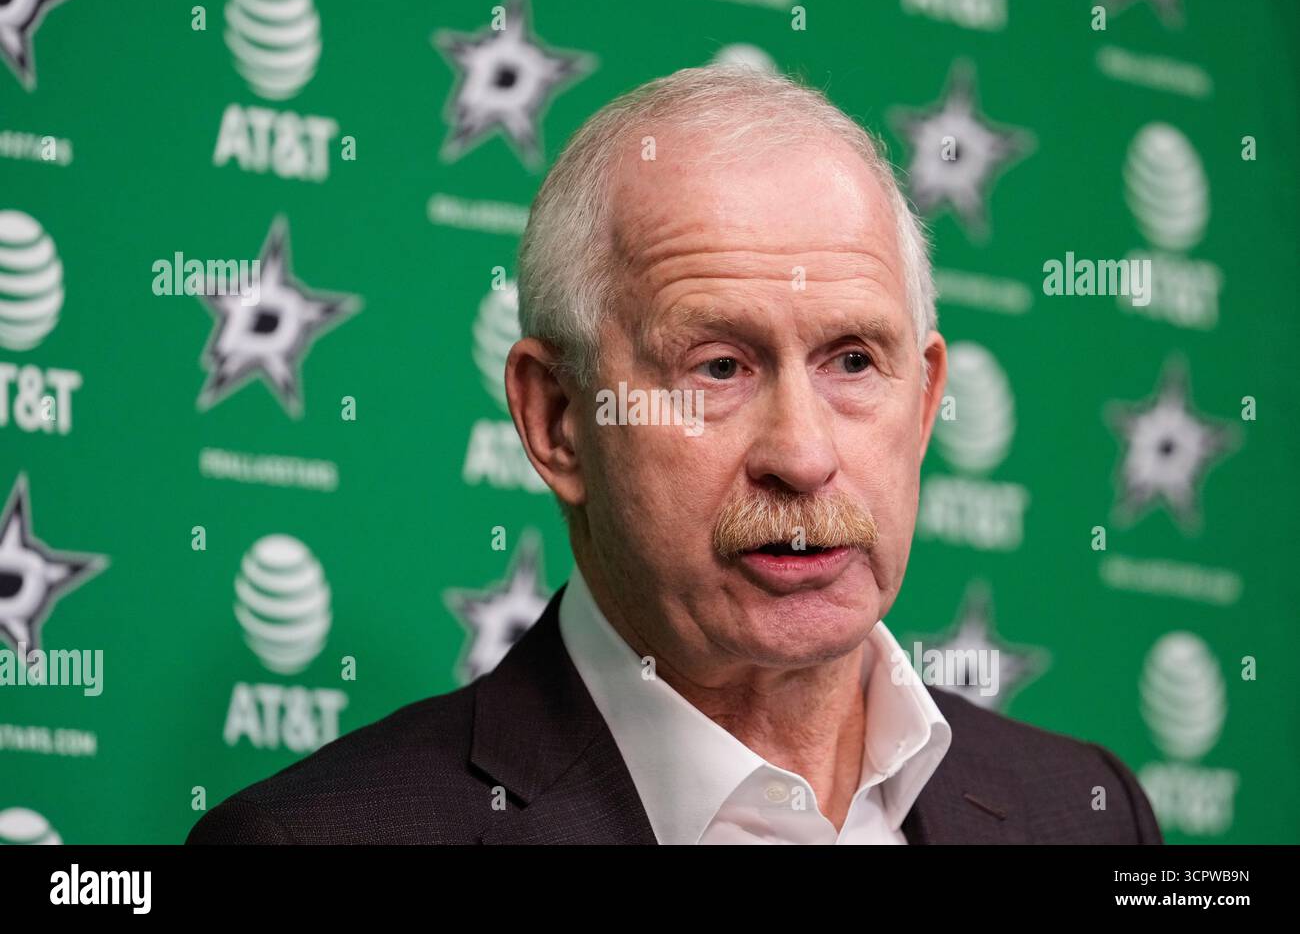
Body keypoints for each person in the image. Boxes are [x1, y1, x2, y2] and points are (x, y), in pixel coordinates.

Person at [187, 65, 1162, 845]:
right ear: (557, 416)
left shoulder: (1084, 809)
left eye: (854, 358)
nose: (803, 453)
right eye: (720, 365)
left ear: (924, 399)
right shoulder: (307, 838)